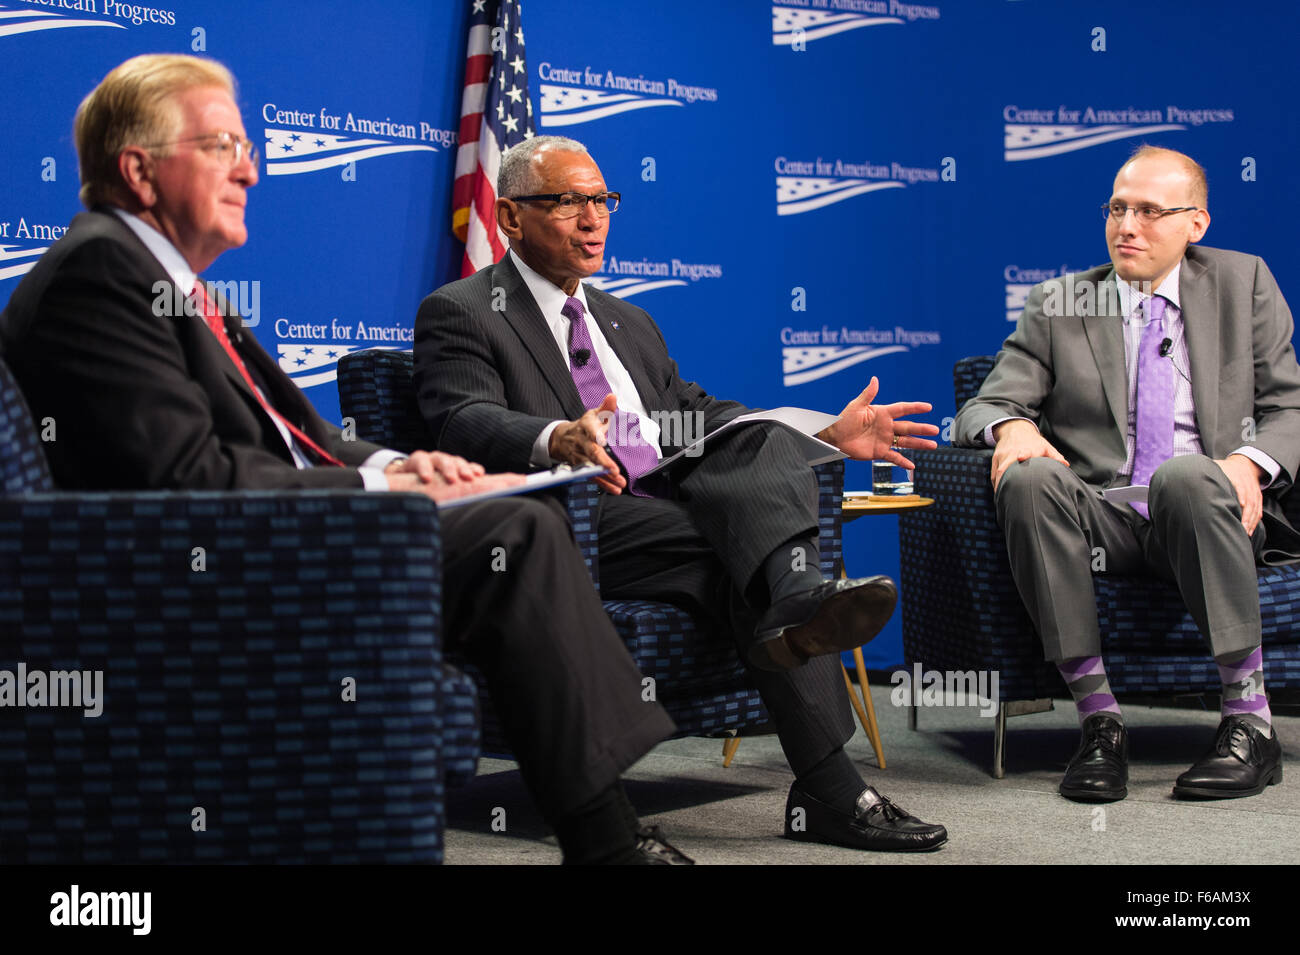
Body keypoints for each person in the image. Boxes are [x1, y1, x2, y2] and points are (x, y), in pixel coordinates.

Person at [0, 54, 693, 865]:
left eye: (248, 146)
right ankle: (609, 842)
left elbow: (303, 438)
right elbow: (188, 481)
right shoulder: (102, 273)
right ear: (139, 170)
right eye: (223, 146)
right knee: (520, 534)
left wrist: (409, 468)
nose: (251, 170)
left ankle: (604, 833)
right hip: (192, 576)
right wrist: (383, 494)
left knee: (513, 514)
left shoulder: (165, 278)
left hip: (269, 534)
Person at [414, 135, 948, 851]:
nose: (592, 218)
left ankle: (795, 601)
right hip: (574, 515)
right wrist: (553, 437)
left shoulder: (625, 321)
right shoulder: (463, 311)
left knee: (757, 443)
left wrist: (825, 430)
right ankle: (831, 775)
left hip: (665, 505)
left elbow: (696, 415)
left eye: (601, 200)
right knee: (744, 547)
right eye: (567, 201)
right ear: (510, 217)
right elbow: (461, 416)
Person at [954, 145, 1300, 802]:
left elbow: (1290, 404)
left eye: (1148, 211)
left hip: (1210, 510)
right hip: (1103, 518)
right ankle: (1099, 721)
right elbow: (988, 402)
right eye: (1117, 208)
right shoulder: (1060, 301)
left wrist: (1248, 464)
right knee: (1028, 476)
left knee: (1189, 477)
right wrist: (1014, 426)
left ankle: (1250, 723)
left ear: (1196, 222)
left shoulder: (1243, 282)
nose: (1126, 227)